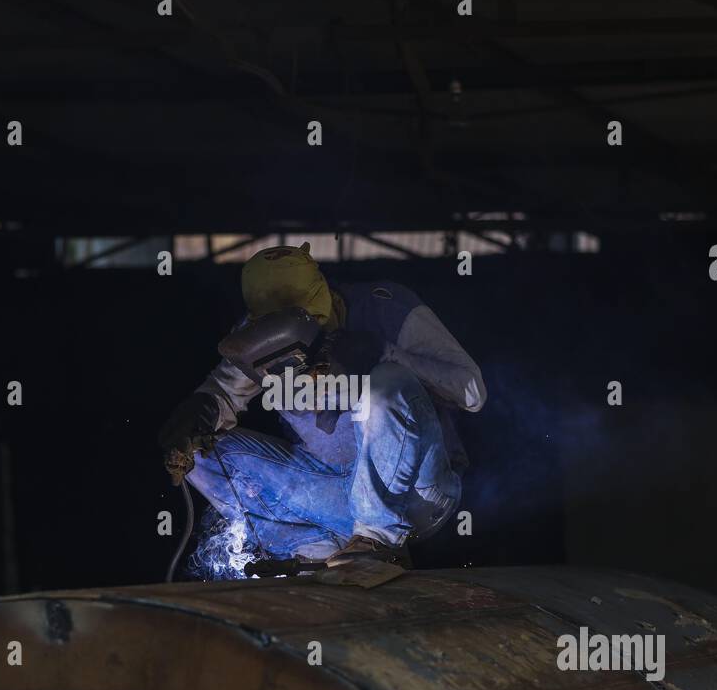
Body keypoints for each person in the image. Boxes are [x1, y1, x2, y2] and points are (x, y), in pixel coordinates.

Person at [158, 241, 486, 571]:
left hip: (418, 496)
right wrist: (200, 413)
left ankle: (377, 541)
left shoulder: (384, 305)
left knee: (387, 381)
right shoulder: (256, 339)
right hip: (331, 496)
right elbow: (222, 394)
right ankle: (308, 547)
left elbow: (472, 392)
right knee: (201, 451)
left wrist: (384, 353)